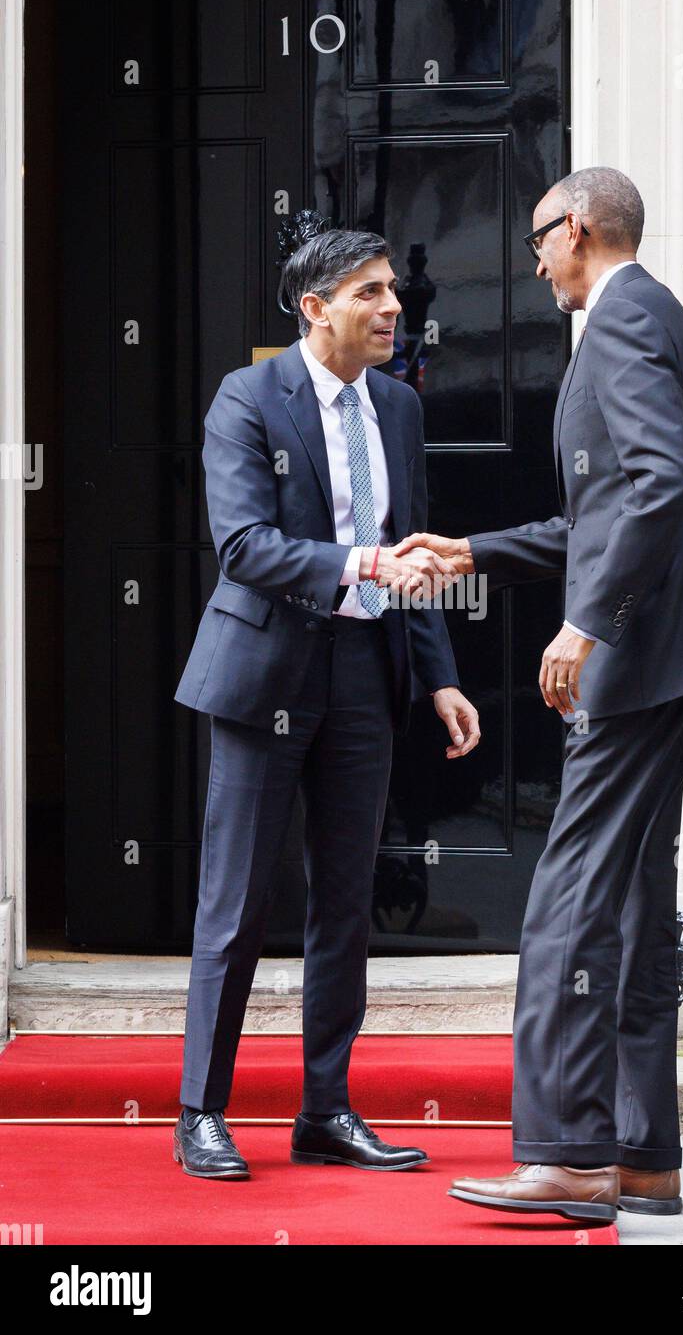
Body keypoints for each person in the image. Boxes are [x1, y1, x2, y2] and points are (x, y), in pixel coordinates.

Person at [396, 167, 683, 1223]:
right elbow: (607, 513)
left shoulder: (624, 318)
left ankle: (566, 1152)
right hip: (679, 651)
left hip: (643, 659)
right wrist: (475, 546)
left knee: (566, 898)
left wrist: (585, 623)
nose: (535, 258)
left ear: (582, 228)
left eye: (541, 238)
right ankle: (643, 1154)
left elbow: (660, 484)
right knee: (635, 897)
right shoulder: (643, 317)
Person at [172, 214, 480, 1179]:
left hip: (364, 673)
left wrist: (439, 679)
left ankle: (326, 1111)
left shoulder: (399, 407)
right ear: (315, 310)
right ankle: (200, 1113)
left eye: (392, 290)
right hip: (266, 671)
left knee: (344, 904)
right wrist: (356, 561)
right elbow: (243, 547)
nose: (394, 307)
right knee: (236, 904)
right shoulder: (247, 397)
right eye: (370, 294)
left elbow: (415, 550)